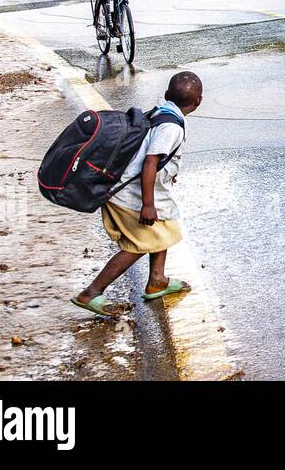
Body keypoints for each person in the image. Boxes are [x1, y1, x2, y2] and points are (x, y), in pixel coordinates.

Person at [72, 71, 203, 318]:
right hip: (130, 194)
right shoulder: (171, 127)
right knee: (139, 243)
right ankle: (91, 292)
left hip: (138, 187)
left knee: (163, 228)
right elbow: (150, 162)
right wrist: (147, 204)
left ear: (167, 96)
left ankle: (157, 280)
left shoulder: (163, 112)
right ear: (199, 102)